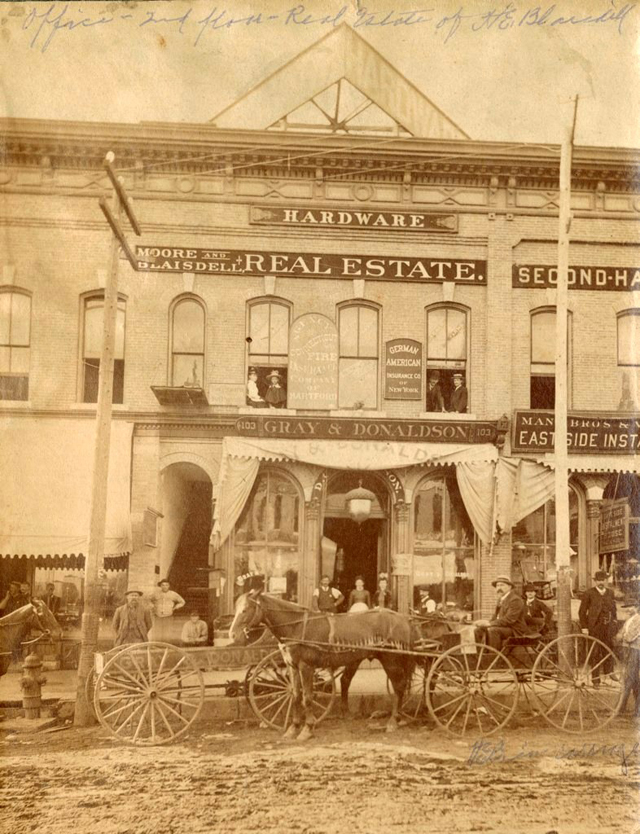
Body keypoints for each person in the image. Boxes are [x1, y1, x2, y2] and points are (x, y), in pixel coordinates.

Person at [579, 570, 618, 685]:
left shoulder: (610, 592)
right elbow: (582, 612)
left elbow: (613, 609)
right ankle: (595, 679)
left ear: (606, 581)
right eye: (598, 580)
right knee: (594, 652)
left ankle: (609, 672)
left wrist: (614, 621)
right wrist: (584, 627)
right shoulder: (588, 593)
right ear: (595, 581)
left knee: (608, 649)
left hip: (608, 626)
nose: (601, 582)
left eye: (603, 580)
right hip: (594, 627)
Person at [477, 575, 528, 651]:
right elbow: (496, 617)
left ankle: (494, 655)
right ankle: (482, 654)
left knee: (493, 630)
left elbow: (509, 619)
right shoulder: (501, 599)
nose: (499, 588)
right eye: (497, 586)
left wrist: (489, 624)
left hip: (515, 630)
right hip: (504, 627)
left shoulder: (515, 600)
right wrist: (485, 622)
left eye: (502, 585)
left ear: (509, 587)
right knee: (478, 630)